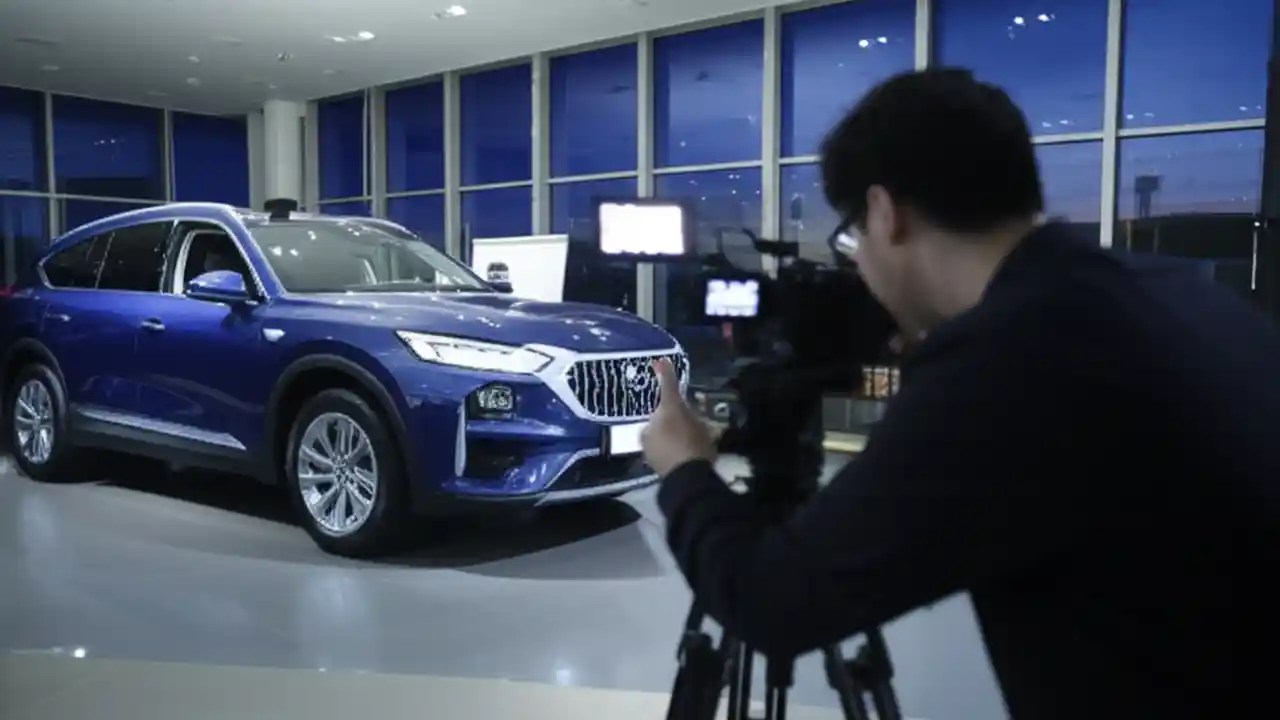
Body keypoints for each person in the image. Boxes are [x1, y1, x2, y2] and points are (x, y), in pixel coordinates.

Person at [641, 68, 1278, 718]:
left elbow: (770, 602)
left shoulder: (1011, 362)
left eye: (852, 235)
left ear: (885, 214)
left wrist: (684, 466)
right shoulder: (1168, 291)